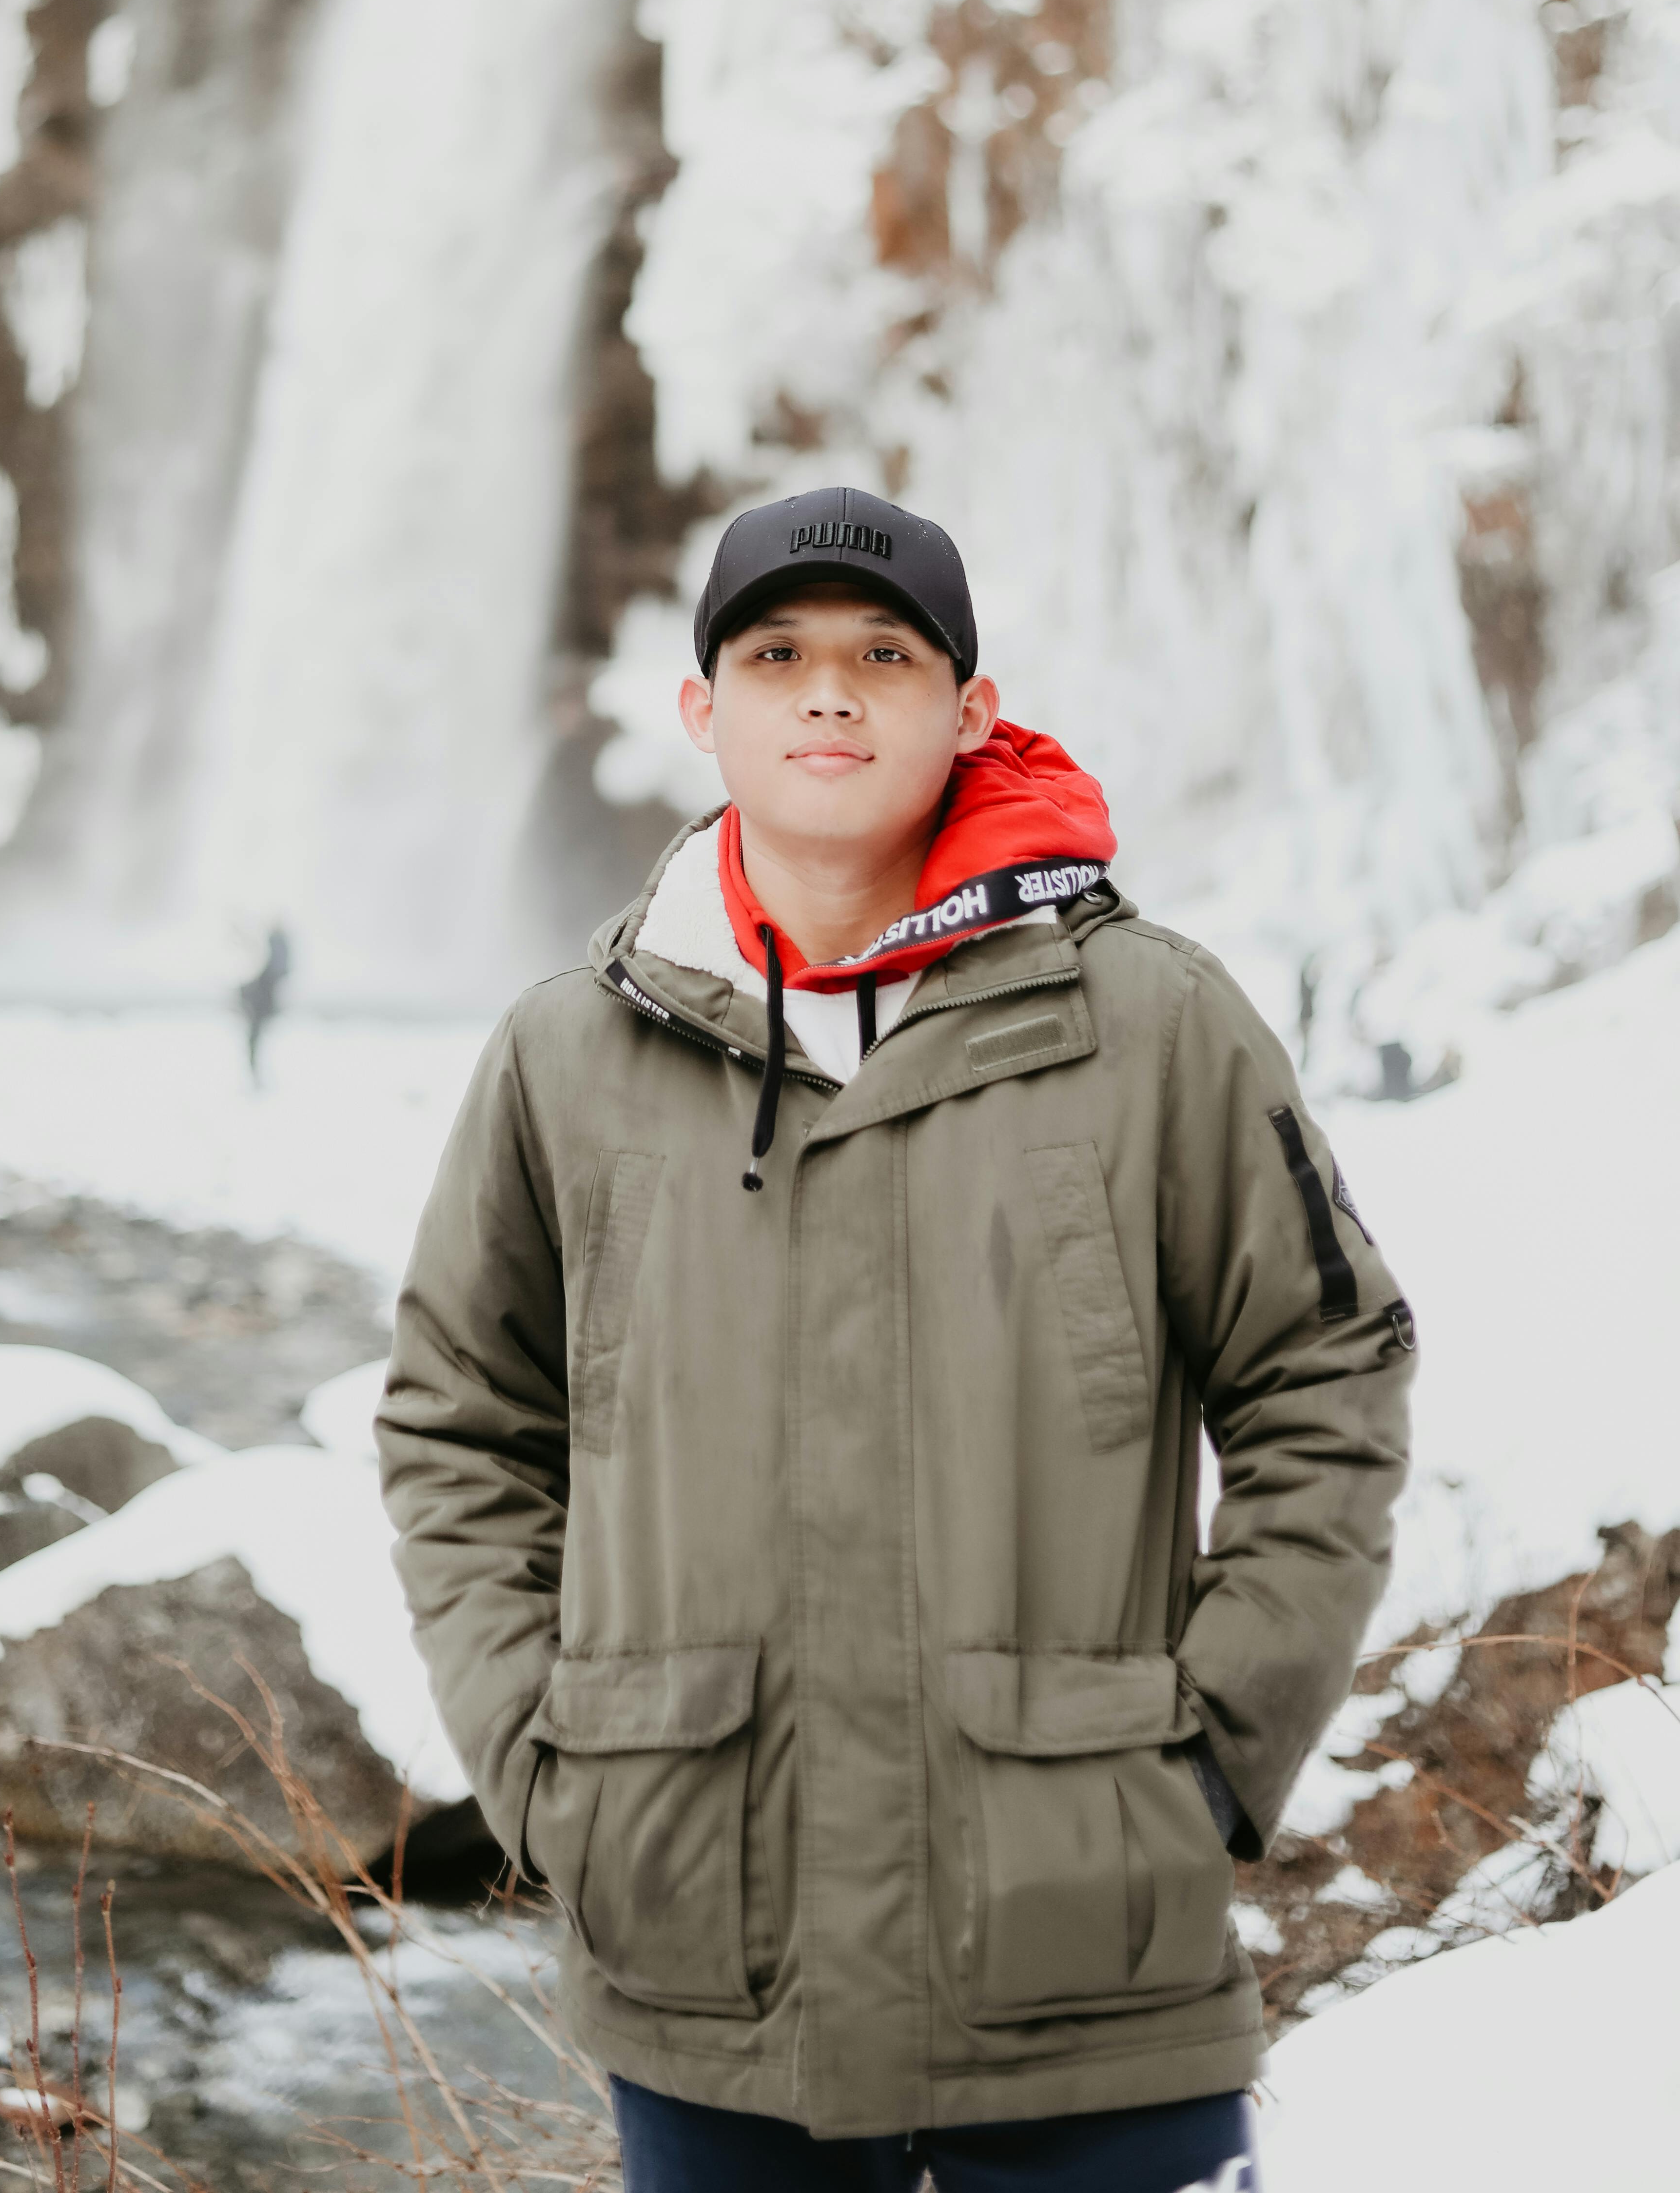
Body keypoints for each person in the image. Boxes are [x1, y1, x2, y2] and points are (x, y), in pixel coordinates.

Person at [378, 487, 1415, 2192]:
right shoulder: (567, 1056)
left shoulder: (1152, 1026)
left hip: (1091, 1964)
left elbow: (1328, 1372)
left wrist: (1214, 1759)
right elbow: (461, 1425)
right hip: (704, 1967)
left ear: (972, 709)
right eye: (776, 655)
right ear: (703, 711)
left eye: (885, 655)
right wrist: (551, 1770)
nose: (832, 694)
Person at [237, 923, 290, 1086]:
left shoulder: (273, 947)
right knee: (255, 1042)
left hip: (259, 1002)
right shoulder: (273, 948)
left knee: (257, 1041)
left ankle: (258, 1078)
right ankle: (257, 1077)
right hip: (258, 1001)